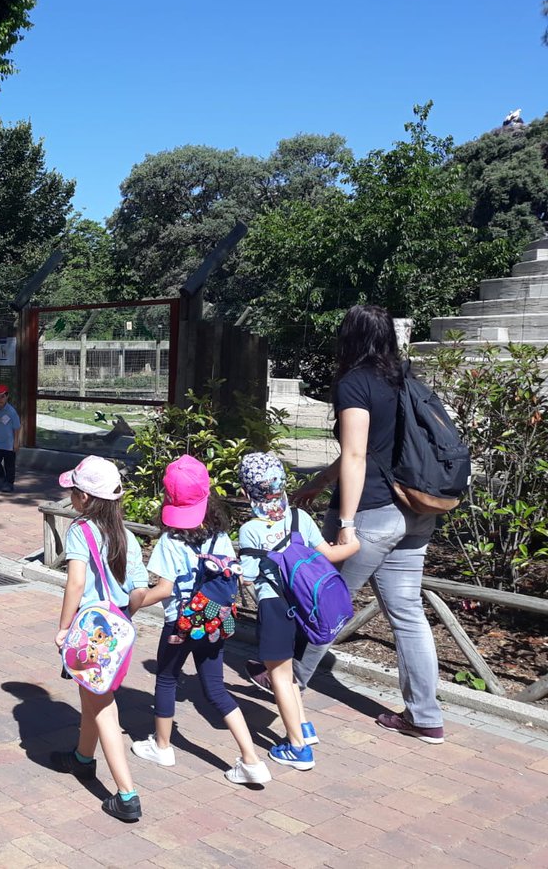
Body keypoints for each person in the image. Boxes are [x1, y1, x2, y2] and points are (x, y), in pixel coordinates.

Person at [284, 304, 445, 744]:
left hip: (372, 511)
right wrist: (320, 482)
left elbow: (356, 454)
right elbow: (370, 449)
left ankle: (287, 681)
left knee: (324, 598)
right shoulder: (403, 379)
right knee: (408, 615)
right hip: (414, 510)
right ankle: (425, 716)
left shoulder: (355, 382)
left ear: (349, 337)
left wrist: (347, 522)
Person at [129, 455, 272, 787]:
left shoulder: (170, 541)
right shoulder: (220, 537)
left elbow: (163, 589)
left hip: (180, 624)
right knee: (216, 689)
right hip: (214, 622)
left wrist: (130, 606)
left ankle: (162, 746)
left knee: (166, 678)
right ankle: (251, 760)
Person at [236, 451, 359, 770]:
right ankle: (303, 726)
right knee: (288, 671)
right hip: (304, 606)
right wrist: (354, 544)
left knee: (277, 676)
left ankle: (297, 748)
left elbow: (247, 577)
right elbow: (327, 554)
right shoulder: (299, 518)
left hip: (274, 607)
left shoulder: (250, 529)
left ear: (247, 493)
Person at [49, 456, 151, 823]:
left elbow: (75, 583)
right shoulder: (127, 536)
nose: (71, 497)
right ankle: (82, 758)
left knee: (104, 706)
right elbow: (140, 591)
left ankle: (126, 795)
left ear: (86, 498)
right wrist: (123, 615)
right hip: (116, 626)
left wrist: (63, 629)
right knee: (91, 695)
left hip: (89, 629)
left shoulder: (81, 530)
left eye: (74, 491)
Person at [0, 384, 20, 493]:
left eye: (2, 396)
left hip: (9, 444)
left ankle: (9, 483)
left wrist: (16, 442)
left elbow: (17, 428)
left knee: (9, 465)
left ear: (7, 396)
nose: (0, 399)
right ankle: (1, 477)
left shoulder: (11, 411)